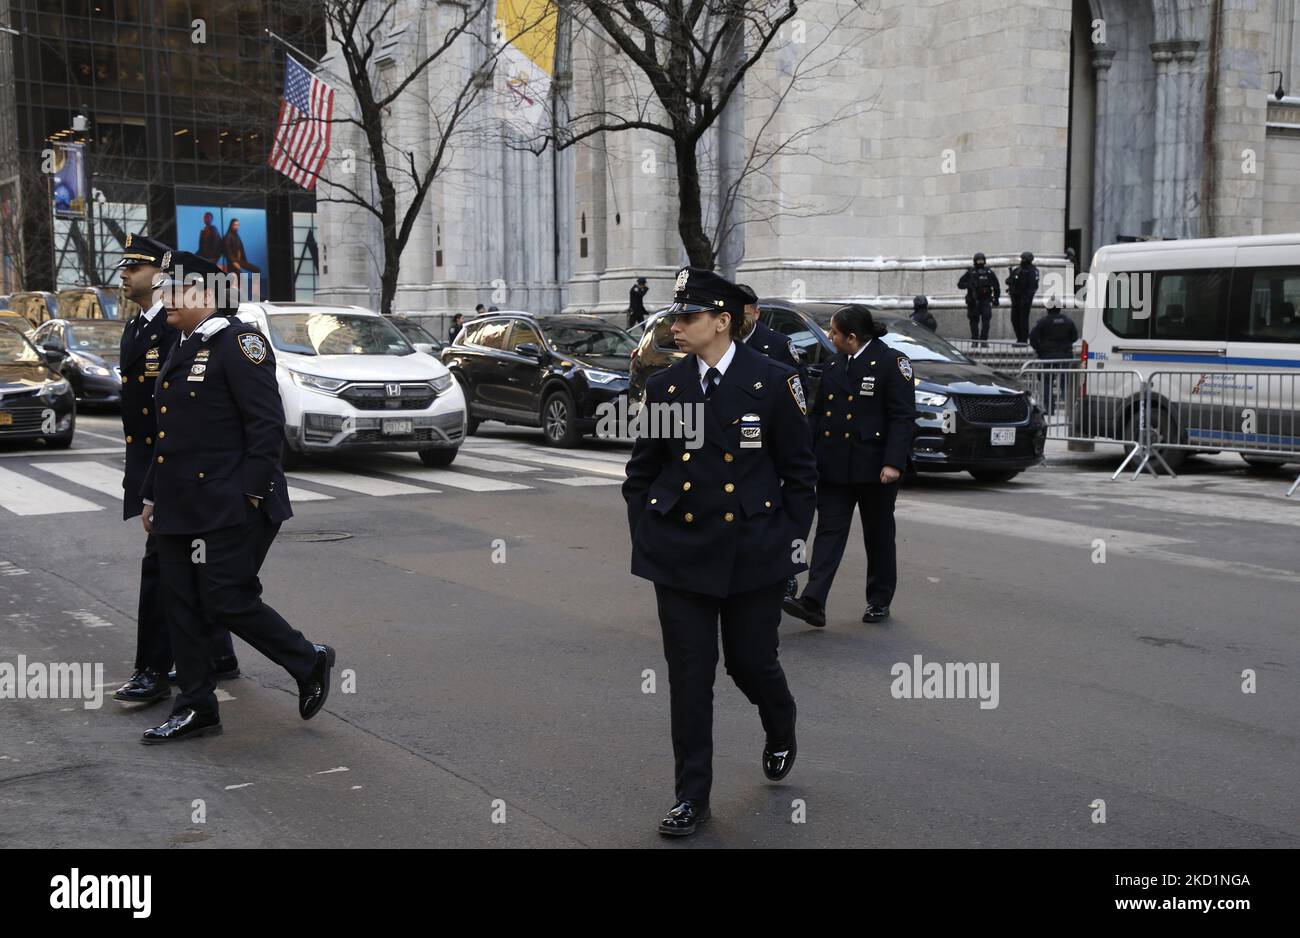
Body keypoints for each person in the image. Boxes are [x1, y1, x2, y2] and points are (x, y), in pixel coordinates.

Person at [623, 266, 817, 838]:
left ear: (722, 322)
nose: (676, 326)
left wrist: (789, 546)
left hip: (753, 553)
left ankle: (779, 721)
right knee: (689, 676)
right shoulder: (665, 388)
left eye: (687, 317)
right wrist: (648, 534)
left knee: (750, 663)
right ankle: (691, 797)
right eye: (675, 316)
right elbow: (642, 473)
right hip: (681, 555)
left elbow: (801, 476)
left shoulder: (775, 381)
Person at [138, 251, 335, 744]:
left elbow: (265, 426)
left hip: (229, 502)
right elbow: (170, 433)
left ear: (206, 295)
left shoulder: (239, 342)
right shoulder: (183, 343)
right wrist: (151, 497)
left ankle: (307, 658)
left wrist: (250, 494)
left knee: (225, 598)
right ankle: (197, 707)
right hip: (180, 505)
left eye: (174, 293)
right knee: (180, 602)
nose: (165, 303)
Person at [111, 234, 240, 705]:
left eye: (135, 267)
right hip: (156, 467)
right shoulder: (138, 326)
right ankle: (219, 655)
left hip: (179, 471)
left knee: (162, 571)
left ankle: (152, 671)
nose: (125, 274)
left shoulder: (182, 328)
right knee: (190, 567)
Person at [784, 304, 915, 627]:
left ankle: (879, 600)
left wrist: (893, 463)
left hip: (875, 469)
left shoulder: (891, 363)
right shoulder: (833, 365)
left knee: (878, 535)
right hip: (834, 465)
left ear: (852, 337)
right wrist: (805, 455)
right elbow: (817, 415)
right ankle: (813, 600)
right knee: (829, 531)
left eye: (834, 332)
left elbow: (902, 417)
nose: (830, 337)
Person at [1028, 304, 1079, 415]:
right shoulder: (1068, 321)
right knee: (1066, 384)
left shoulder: (1042, 322)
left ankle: (1050, 409)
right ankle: (1070, 410)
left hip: (1047, 357)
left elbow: (1032, 337)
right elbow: (1075, 337)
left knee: (1047, 384)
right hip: (1065, 358)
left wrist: (1040, 350)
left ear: (1047, 308)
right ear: (1059, 308)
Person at [957, 252, 1000, 341]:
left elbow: (996, 286)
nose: (980, 262)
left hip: (986, 300)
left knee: (986, 321)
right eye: (978, 261)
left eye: (981, 261)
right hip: (973, 300)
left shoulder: (989, 272)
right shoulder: (971, 272)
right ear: (975, 261)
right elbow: (960, 284)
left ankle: (984, 340)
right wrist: (969, 285)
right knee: (973, 321)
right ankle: (975, 340)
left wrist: (996, 298)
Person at [1006, 251, 1039, 343]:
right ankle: (1019, 338)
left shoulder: (1032, 271)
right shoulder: (1017, 270)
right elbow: (1009, 280)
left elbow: (1032, 286)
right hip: (1015, 298)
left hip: (1025, 299)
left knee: (1023, 319)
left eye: (1025, 259)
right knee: (1014, 319)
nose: (1023, 261)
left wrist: (1026, 298)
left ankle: (1023, 339)